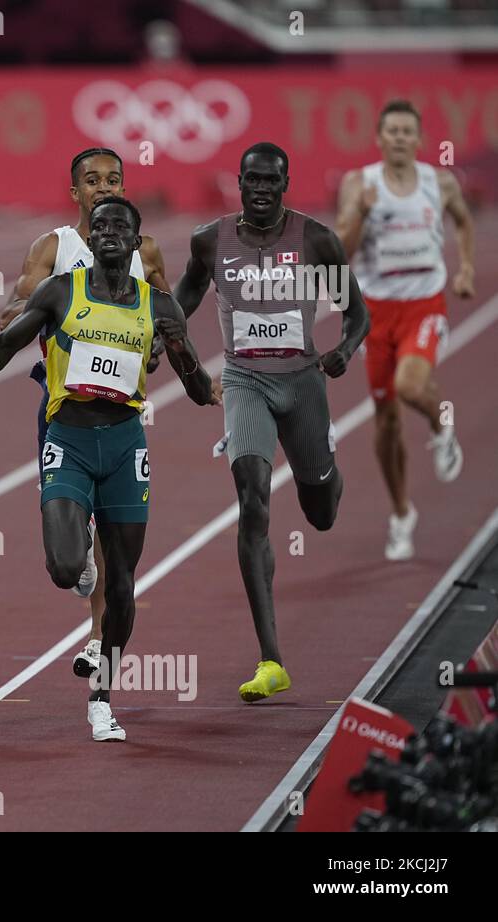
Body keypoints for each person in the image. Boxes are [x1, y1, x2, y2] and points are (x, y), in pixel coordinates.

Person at [0, 195, 216, 741]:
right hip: (69, 440)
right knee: (63, 568)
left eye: (118, 228)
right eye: (98, 226)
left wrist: (185, 356)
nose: (105, 234)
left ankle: (102, 697)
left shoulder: (160, 306)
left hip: (125, 446)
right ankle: (79, 549)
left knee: (123, 583)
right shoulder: (61, 291)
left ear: (136, 242)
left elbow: (197, 392)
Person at [175, 143, 370, 702]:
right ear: (239, 182)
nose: (262, 190)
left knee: (321, 513)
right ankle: (270, 659)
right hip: (244, 381)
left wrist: (345, 350)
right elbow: (182, 298)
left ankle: (327, 474)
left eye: (273, 182)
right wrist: (157, 333)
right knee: (252, 495)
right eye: (252, 181)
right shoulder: (210, 241)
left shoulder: (315, 239)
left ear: (287, 184)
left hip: (304, 380)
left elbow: (358, 311)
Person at [0, 147, 170, 679]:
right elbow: (13, 313)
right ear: (75, 193)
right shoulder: (55, 248)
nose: (104, 188)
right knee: (69, 541)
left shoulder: (147, 250)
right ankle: (76, 555)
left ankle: (97, 640)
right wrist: (55, 317)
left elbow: (169, 314)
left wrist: (156, 343)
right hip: (62, 407)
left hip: (120, 413)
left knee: (116, 538)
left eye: (113, 180)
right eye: (92, 181)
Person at [334, 99, 473, 560]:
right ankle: (400, 513)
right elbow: (341, 251)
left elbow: (464, 219)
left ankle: (441, 425)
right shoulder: (360, 183)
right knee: (386, 420)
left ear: (418, 139)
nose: (398, 137)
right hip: (375, 311)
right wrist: (362, 214)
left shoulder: (440, 181)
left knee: (410, 385)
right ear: (379, 137)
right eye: (390, 130)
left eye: (406, 131)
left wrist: (466, 268)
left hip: (424, 302)